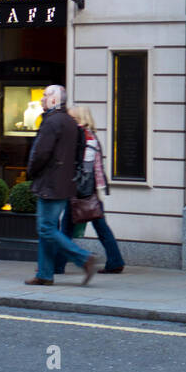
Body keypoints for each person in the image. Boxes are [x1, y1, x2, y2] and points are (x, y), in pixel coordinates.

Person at [25, 85, 100, 286]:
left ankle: (83, 258)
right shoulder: (69, 121)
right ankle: (45, 273)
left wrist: (30, 172)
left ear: (54, 100)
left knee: (46, 228)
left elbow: (40, 153)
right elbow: (79, 152)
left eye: (45, 95)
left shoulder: (51, 122)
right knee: (47, 228)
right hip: (65, 183)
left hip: (50, 183)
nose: (42, 99)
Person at [54, 105, 124, 275]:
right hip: (90, 191)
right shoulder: (90, 136)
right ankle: (115, 261)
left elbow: (83, 167)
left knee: (66, 230)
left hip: (81, 192)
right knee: (99, 228)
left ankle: (57, 266)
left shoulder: (82, 136)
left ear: (78, 119)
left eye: (71, 118)